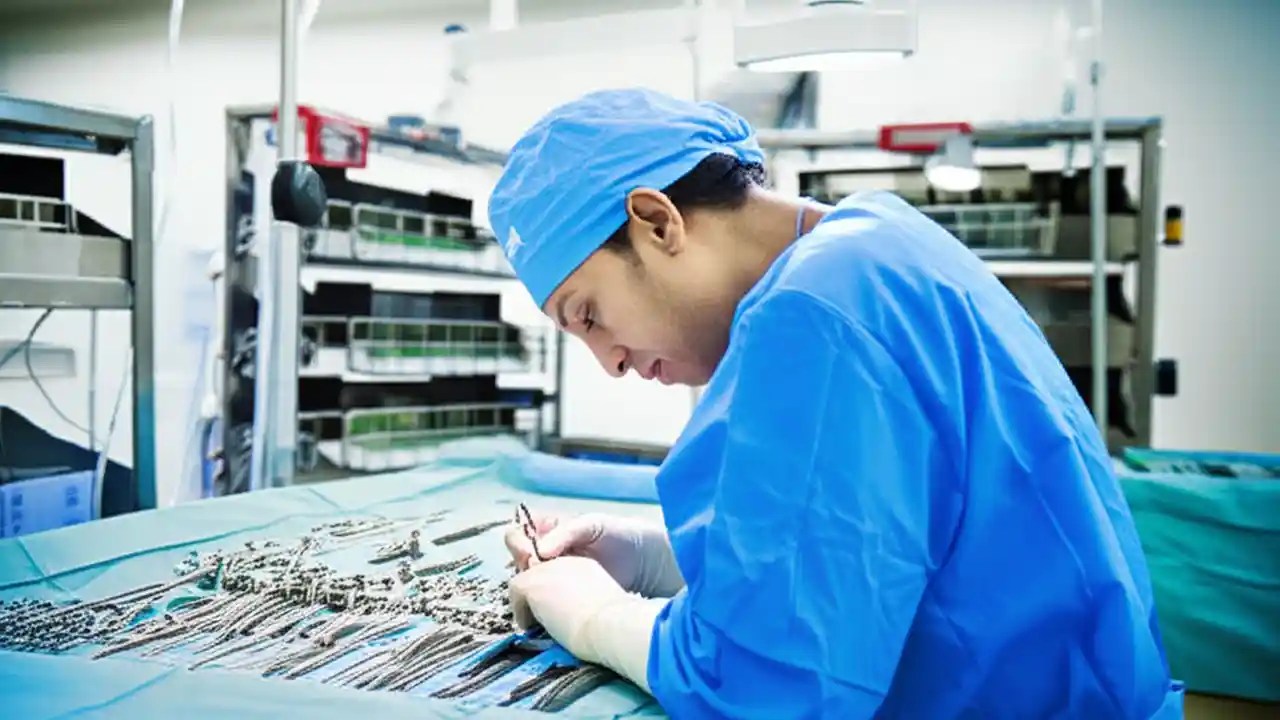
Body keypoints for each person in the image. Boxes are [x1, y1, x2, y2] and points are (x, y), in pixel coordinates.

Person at [489, 88, 1184, 718]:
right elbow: (886, 543)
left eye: (589, 316)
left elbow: (768, 690)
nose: (608, 362)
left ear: (657, 221)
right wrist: (651, 557)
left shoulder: (815, 314)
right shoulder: (881, 247)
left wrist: (594, 617)